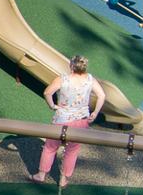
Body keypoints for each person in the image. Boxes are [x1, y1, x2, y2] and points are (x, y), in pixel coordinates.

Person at [32, 55, 105, 187]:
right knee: (72, 150)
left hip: (62, 119)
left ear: (71, 66)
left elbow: (47, 92)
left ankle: (41, 174)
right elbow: (102, 95)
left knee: (50, 147)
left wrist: (52, 105)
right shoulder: (90, 79)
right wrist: (95, 112)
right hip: (82, 120)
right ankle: (63, 179)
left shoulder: (63, 79)